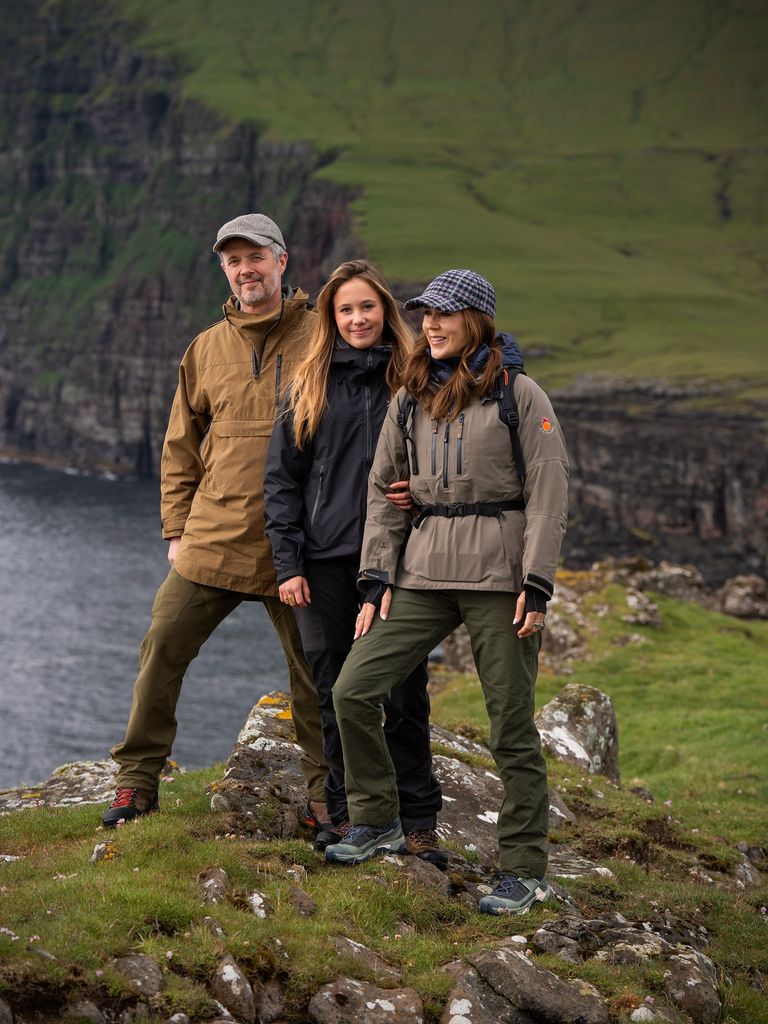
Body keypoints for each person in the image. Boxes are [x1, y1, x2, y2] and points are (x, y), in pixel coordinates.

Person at [324, 269, 569, 916]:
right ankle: (376, 820)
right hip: (423, 573)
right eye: (425, 314)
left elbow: (549, 493)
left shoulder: (521, 395)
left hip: (499, 579)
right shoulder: (410, 396)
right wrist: (376, 579)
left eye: (446, 314)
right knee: (353, 689)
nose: (429, 324)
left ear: (477, 321)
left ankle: (524, 868)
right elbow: (384, 490)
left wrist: (537, 583)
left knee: (511, 725)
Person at [101, 214, 328, 829]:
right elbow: (180, 446)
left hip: (298, 546)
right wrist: (176, 532)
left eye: (255, 256)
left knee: (314, 674)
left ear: (282, 261)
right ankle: (137, 783)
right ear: (223, 269)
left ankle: (325, 800)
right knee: (162, 648)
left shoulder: (324, 336)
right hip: (212, 537)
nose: (245, 269)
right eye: (232, 260)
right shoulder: (205, 348)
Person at [263, 259, 444, 861]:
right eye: (345, 309)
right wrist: (288, 564)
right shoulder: (307, 383)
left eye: (367, 306)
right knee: (332, 689)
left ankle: (418, 818)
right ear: (331, 318)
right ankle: (349, 817)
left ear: (385, 311)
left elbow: (452, 464)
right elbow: (281, 481)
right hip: (323, 562)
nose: (358, 318)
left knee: (404, 692)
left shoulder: (417, 381)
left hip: (403, 561)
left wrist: (423, 491)